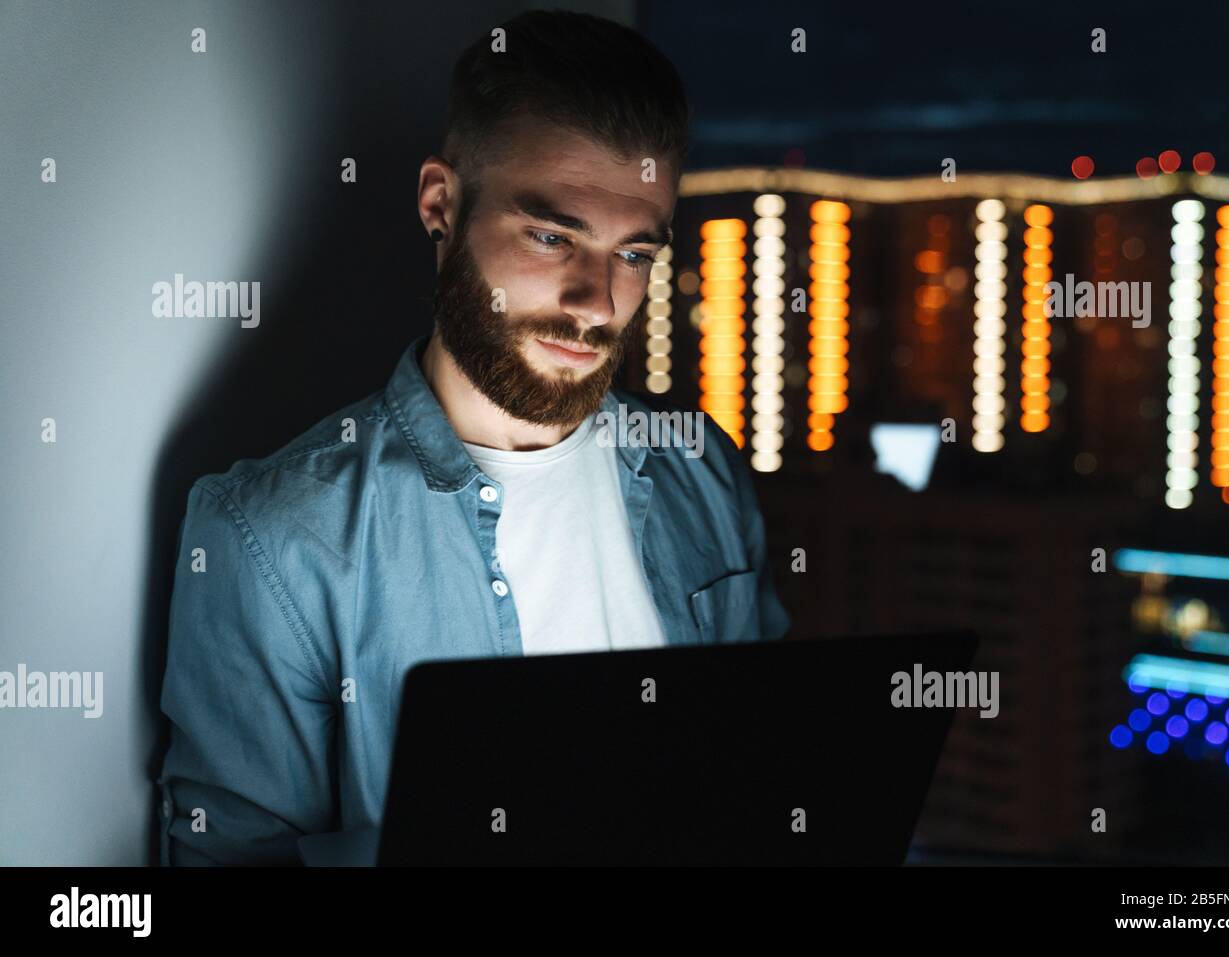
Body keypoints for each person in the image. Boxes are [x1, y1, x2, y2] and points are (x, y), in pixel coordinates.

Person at [156, 9, 790, 865]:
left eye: (633, 253)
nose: (597, 300)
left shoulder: (700, 464)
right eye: (551, 235)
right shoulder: (271, 538)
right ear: (441, 206)